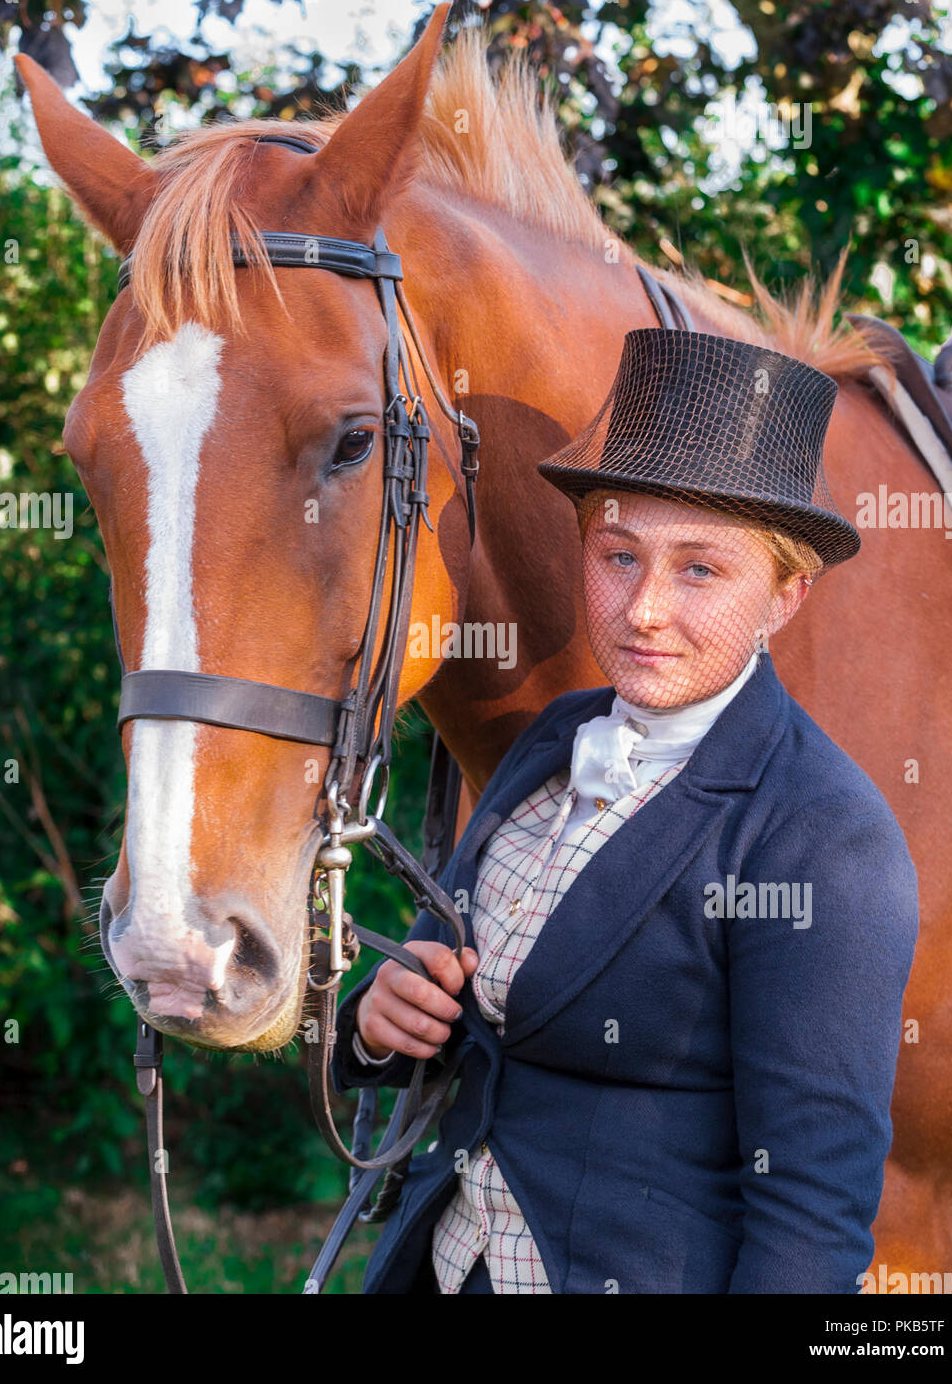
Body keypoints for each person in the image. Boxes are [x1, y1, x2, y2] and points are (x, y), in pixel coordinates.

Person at [330, 328, 920, 1294]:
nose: (643, 608)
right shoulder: (549, 742)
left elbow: (811, 1217)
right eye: (617, 555)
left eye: (700, 569)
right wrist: (378, 1024)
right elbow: (481, 1024)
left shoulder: (823, 839)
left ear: (784, 596)